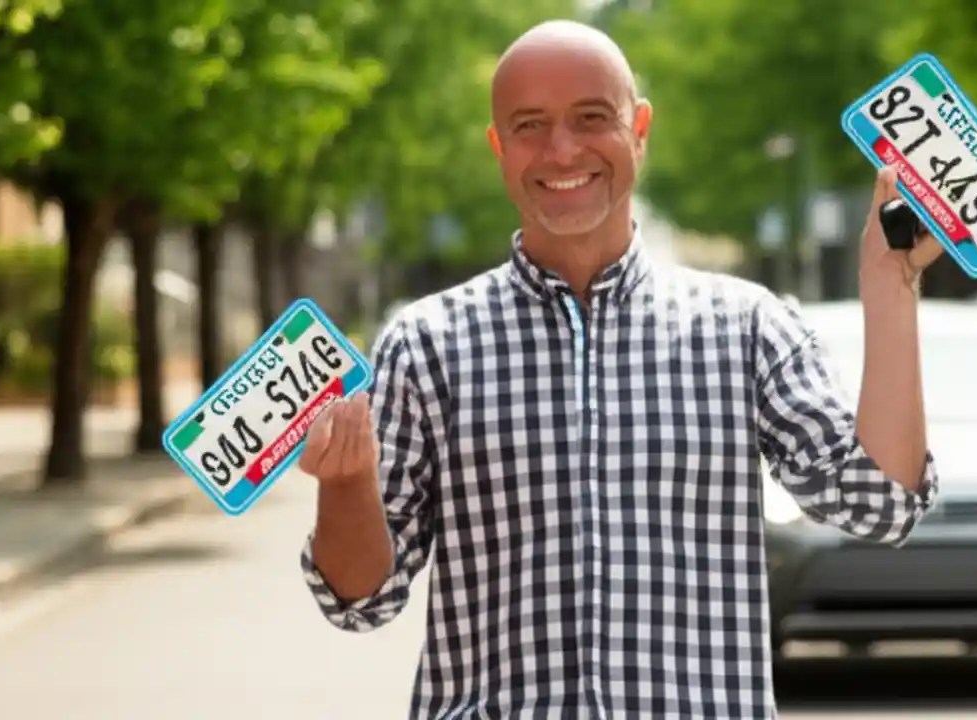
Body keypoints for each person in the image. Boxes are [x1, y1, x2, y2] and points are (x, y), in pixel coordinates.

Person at [298, 19, 944, 719]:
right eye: (530, 125)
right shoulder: (426, 344)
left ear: (639, 129)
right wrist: (345, 483)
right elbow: (360, 600)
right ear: (499, 147)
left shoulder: (746, 328)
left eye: (591, 118)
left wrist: (890, 289)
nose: (562, 148)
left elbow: (879, 506)